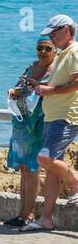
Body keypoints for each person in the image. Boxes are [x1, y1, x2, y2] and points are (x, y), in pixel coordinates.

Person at [27, 14, 78, 231]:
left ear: (67, 30)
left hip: (66, 116)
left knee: (44, 157)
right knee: (52, 170)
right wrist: (39, 86)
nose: (51, 37)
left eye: (54, 33)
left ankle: (75, 183)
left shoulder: (74, 52)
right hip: (52, 115)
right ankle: (46, 219)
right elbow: (60, 82)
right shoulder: (61, 54)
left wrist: (51, 90)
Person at [4, 37, 55, 228]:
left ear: (55, 51)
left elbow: (51, 92)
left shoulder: (55, 71)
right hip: (21, 124)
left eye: (47, 48)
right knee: (24, 170)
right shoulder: (31, 67)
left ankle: (26, 215)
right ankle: (22, 214)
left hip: (38, 126)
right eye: (39, 48)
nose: (42, 51)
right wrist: (13, 92)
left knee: (33, 169)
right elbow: (20, 87)